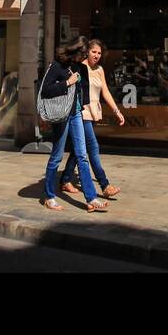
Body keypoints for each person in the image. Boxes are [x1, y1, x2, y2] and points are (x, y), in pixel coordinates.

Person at [38, 41, 107, 213]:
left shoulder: (81, 68)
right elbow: (45, 89)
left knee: (82, 155)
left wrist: (85, 108)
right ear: (75, 52)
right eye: (83, 55)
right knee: (57, 156)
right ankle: (49, 196)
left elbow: (83, 92)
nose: (84, 59)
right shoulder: (58, 66)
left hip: (77, 114)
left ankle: (91, 199)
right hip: (62, 115)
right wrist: (67, 83)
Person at [60, 38, 123, 200]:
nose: (96, 55)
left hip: (94, 113)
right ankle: (105, 185)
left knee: (77, 149)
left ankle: (66, 179)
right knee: (92, 147)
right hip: (81, 113)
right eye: (93, 51)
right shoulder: (80, 67)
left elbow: (106, 92)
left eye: (99, 53)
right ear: (87, 51)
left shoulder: (100, 70)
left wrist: (116, 110)